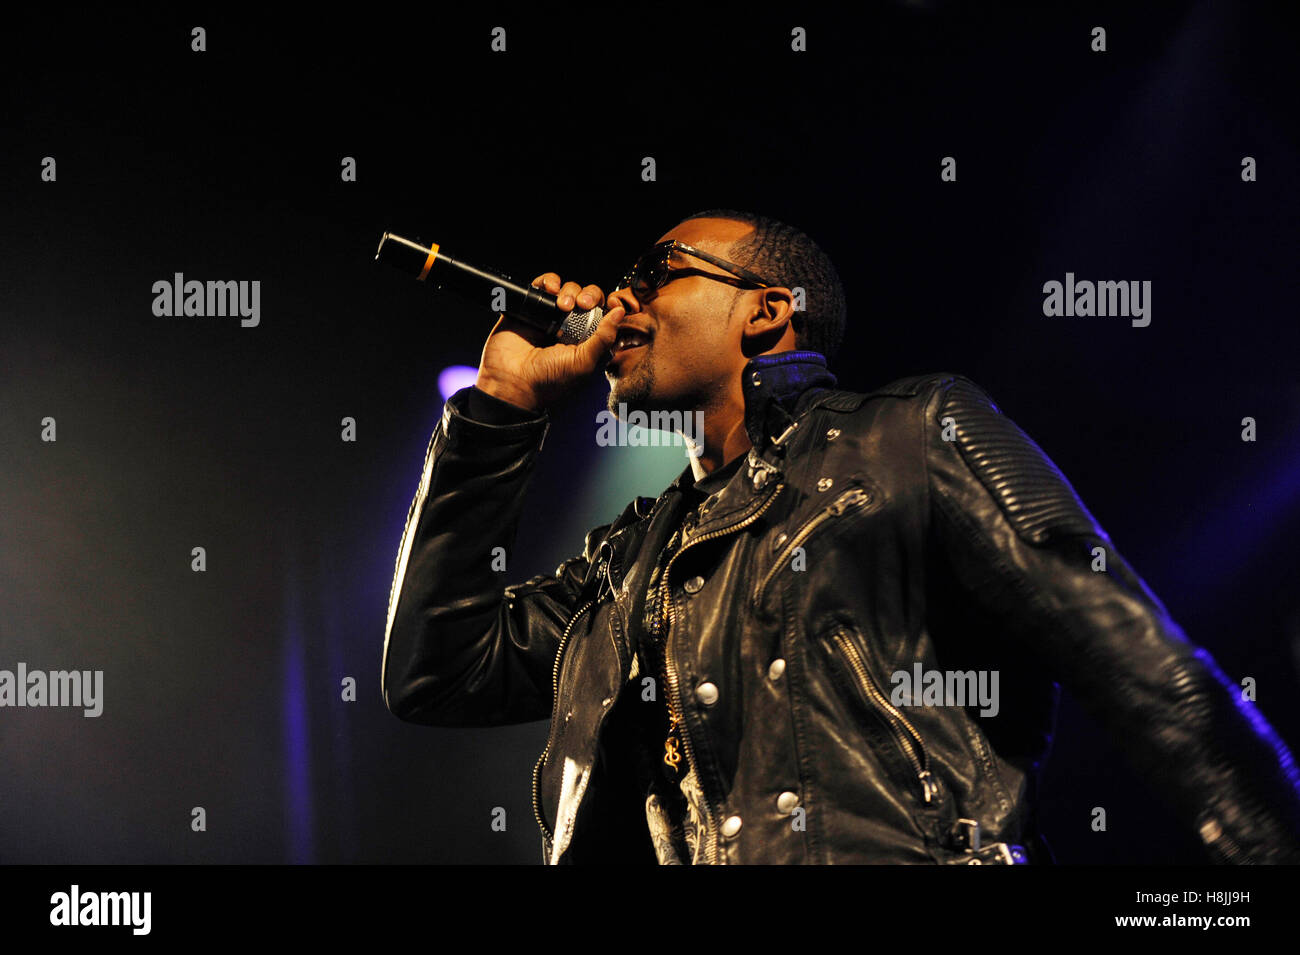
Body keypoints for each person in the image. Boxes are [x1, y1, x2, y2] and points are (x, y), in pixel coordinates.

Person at [381, 209, 1300, 864]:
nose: (621, 299)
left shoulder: (911, 436)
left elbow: (1146, 671)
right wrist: (501, 406)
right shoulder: (631, 558)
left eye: (654, 272)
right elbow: (437, 668)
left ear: (768, 311)